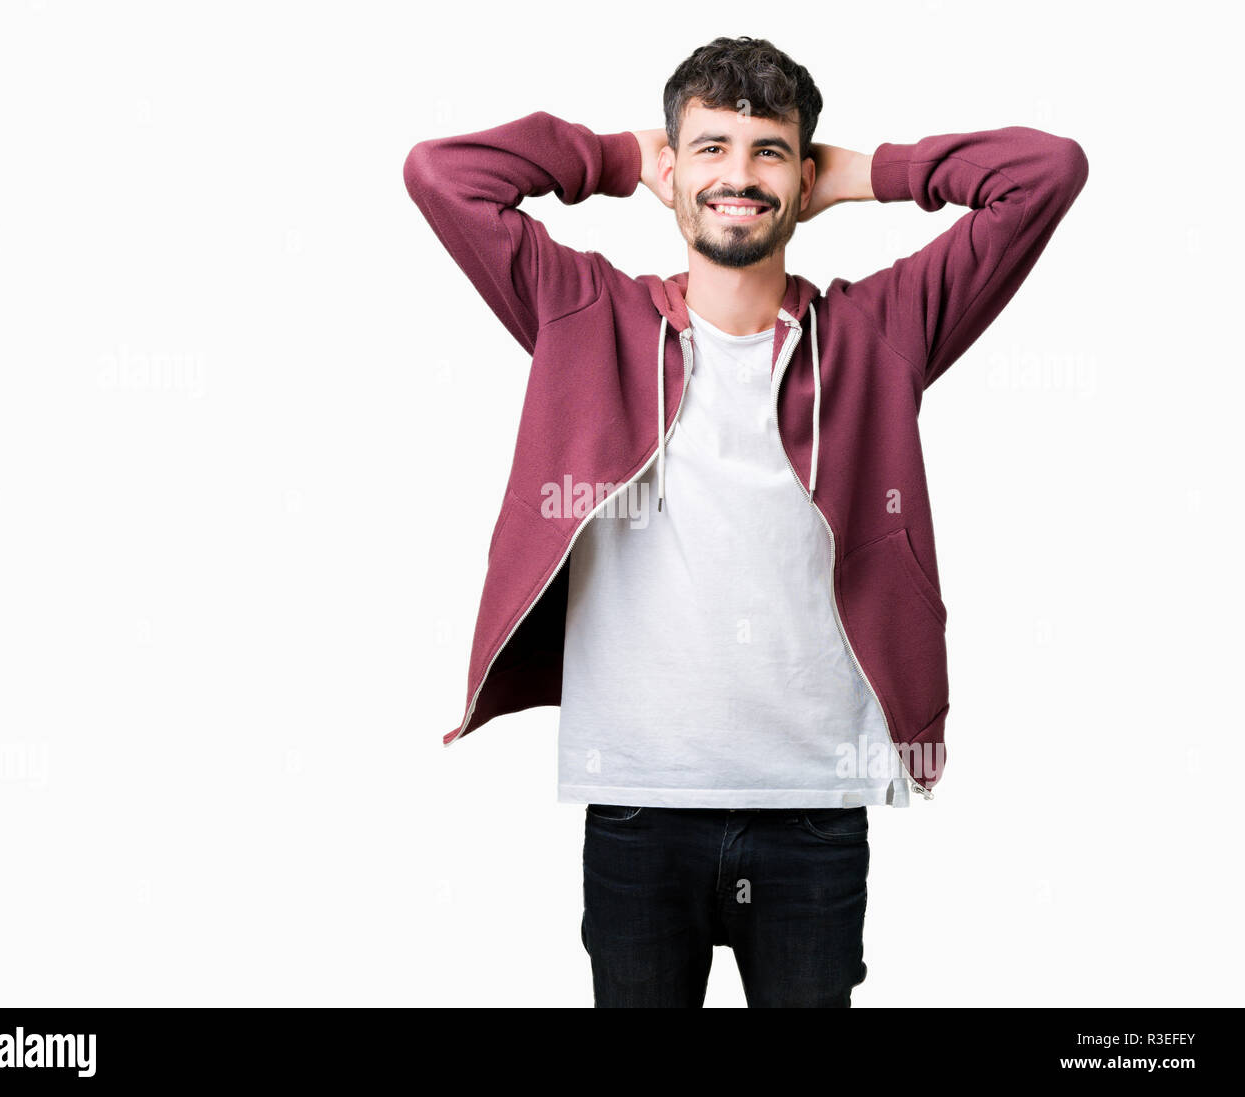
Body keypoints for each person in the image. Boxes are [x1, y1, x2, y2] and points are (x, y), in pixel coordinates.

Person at [402, 35, 1088, 1007]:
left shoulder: (878, 333)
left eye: (769, 151)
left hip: (811, 810)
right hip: (639, 800)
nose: (740, 175)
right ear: (670, 169)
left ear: (803, 176)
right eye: (711, 147)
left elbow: (1044, 173)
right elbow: (443, 175)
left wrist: (876, 175)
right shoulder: (583, 316)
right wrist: (609, 157)